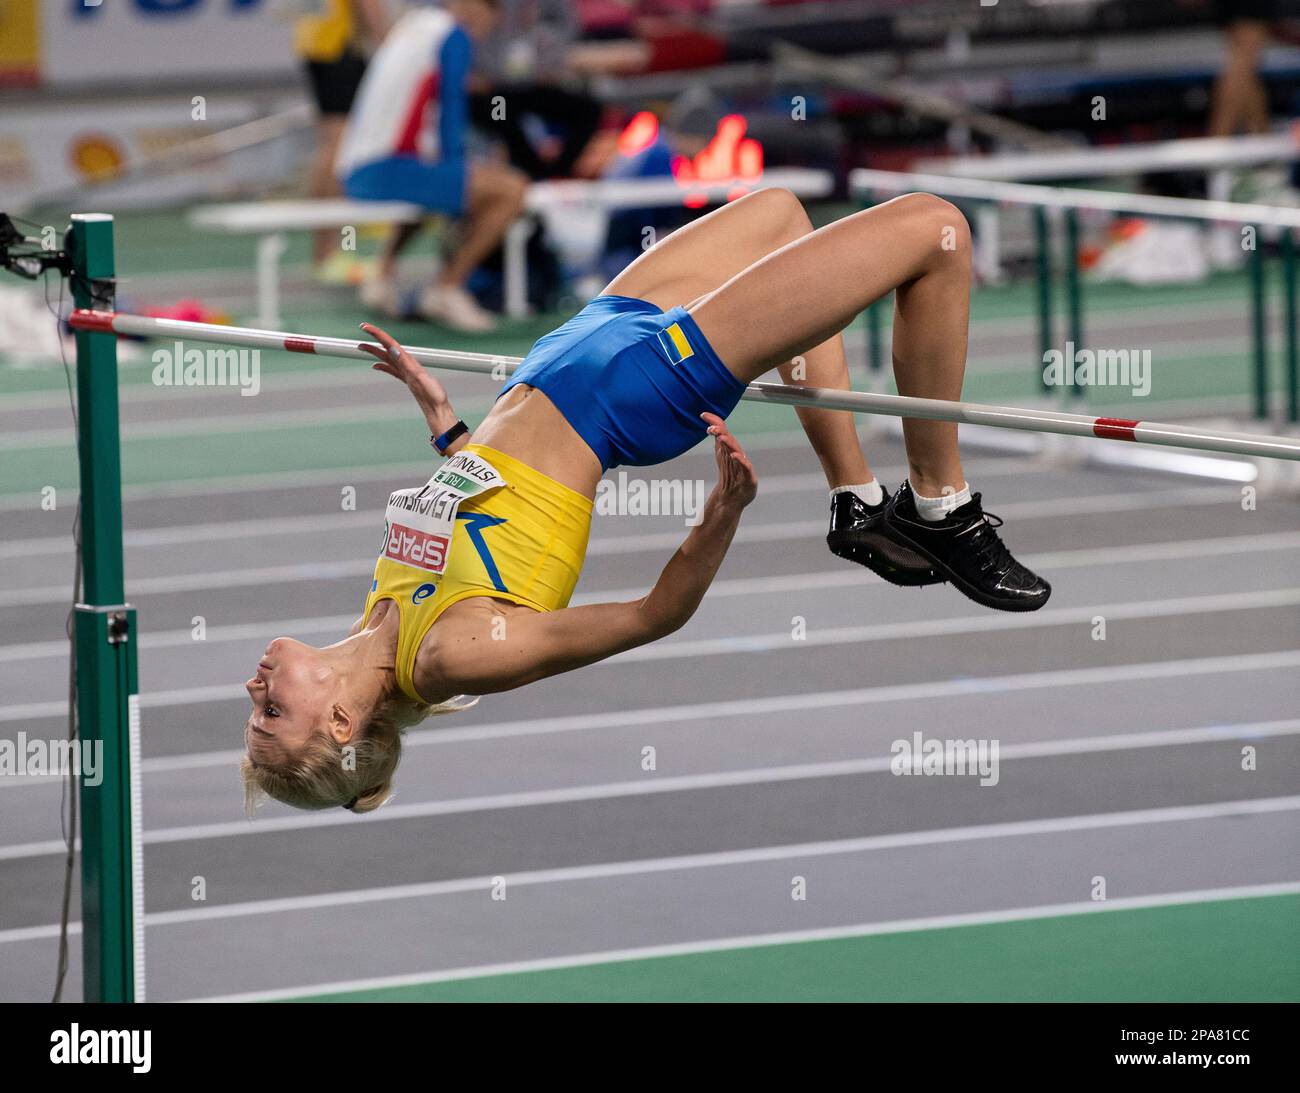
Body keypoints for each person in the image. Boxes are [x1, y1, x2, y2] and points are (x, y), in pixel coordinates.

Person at [241, 188, 1050, 815]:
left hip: (569, 354)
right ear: (341, 723)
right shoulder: (453, 658)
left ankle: (856, 502)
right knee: (936, 231)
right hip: (636, 387)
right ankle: (942, 505)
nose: (255, 689)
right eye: (272, 712)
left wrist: (445, 423)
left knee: (782, 216)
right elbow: (651, 615)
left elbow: (496, 516)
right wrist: (721, 514)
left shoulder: (375, 618)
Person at [336, 0, 529, 332]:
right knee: (512, 190)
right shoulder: (453, 36)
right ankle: (447, 287)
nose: (483, 33)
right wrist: (462, 170)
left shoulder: (414, 25)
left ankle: (381, 274)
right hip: (384, 170)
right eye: (487, 23)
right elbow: (451, 113)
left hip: (357, 165)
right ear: (476, 9)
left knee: (440, 187)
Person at [288, 0, 392, 282]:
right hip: (338, 46)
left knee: (329, 146)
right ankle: (330, 254)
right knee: (339, 148)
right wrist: (387, 42)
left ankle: (324, 253)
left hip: (315, 42)